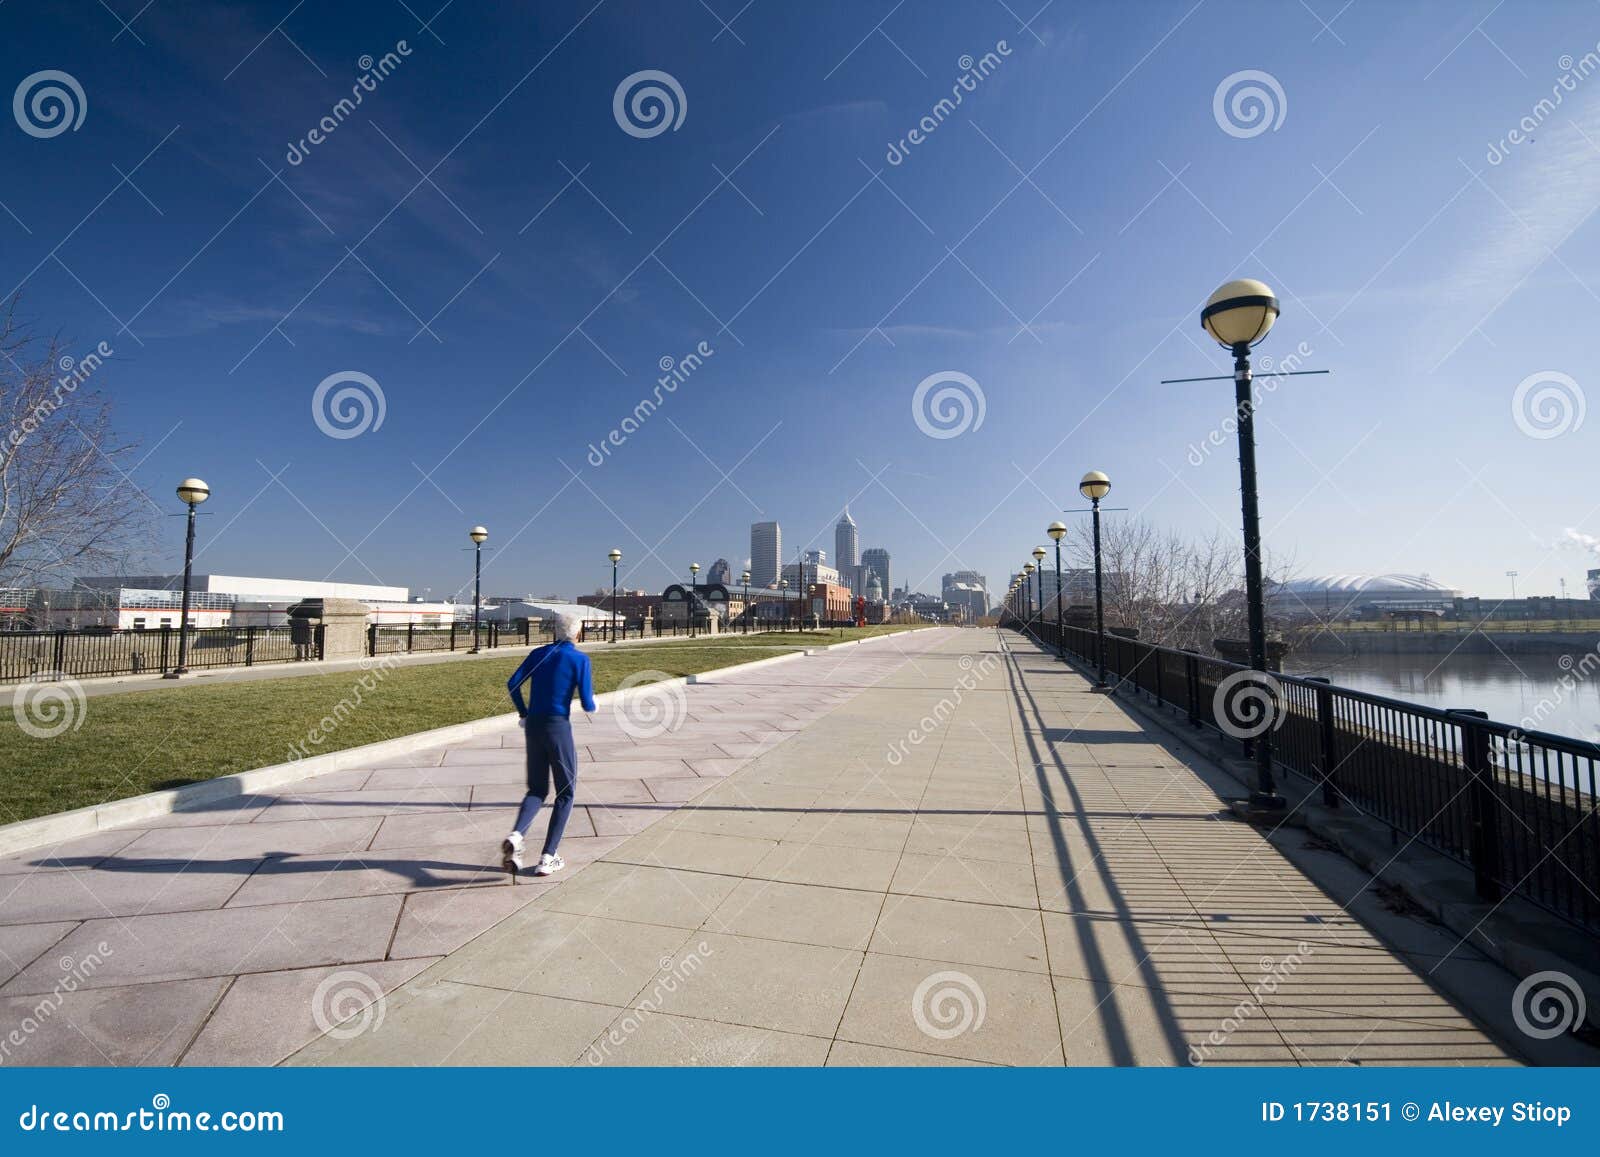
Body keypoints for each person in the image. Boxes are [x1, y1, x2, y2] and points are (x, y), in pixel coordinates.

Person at [501, 612, 595, 877]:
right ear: (578, 633)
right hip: (558, 727)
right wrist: (594, 703)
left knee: (536, 789)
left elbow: (512, 683)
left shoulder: (538, 654)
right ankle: (548, 856)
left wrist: (523, 712)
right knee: (566, 792)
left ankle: (517, 835)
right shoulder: (579, 659)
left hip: (534, 726)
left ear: (555, 632)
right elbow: (588, 703)